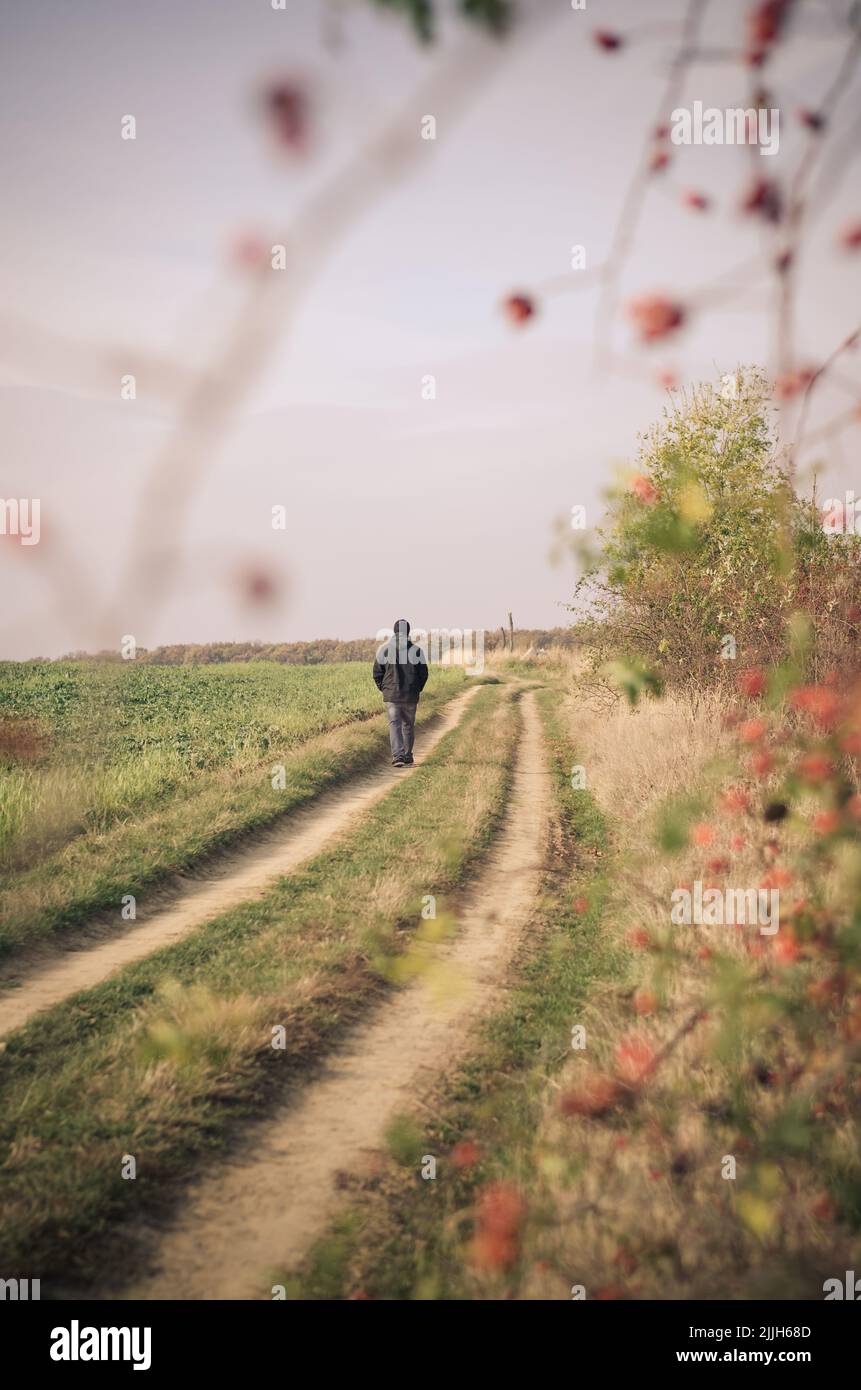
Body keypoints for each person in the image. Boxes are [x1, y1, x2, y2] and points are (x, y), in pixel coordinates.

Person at [372, 618, 428, 767]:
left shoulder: (384, 650)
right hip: (410, 694)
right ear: (408, 631)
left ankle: (398, 757)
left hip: (392, 695)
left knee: (394, 724)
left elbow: (377, 673)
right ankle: (408, 756)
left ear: (394, 631)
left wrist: (384, 689)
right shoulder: (417, 651)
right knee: (408, 725)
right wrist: (417, 688)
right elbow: (423, 674)